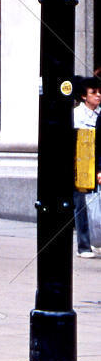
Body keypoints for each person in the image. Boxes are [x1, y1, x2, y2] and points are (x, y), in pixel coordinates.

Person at [74, 78, 100, 258]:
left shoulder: (100, 114)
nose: (98, 95)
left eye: (99, 92)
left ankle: (96, 240)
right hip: (82, 163)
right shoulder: (76, 115)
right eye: (93, 92)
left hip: (97, 161)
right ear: (84, 96)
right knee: (82, 205)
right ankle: (83, 245)